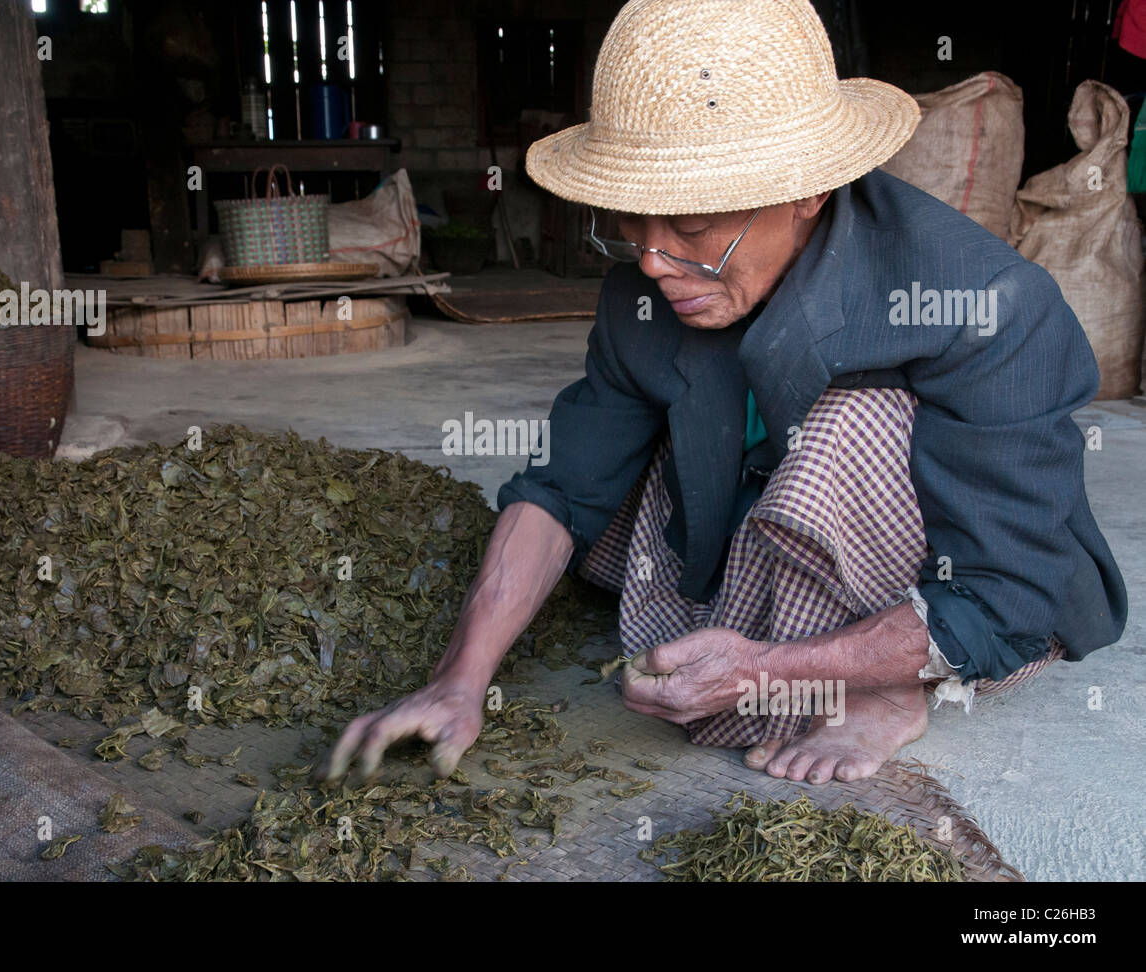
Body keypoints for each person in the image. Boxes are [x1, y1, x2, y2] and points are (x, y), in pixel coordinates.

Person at [321, 0, 1126, 786]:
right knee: (629, 471)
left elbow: (1006, 594)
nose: (653, 261)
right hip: (758, 523)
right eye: (634, 223)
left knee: (852, 421)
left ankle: (885, 685)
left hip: (948, 580)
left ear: (808, 190)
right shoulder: (648, 291)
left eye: (694, 228)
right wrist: (459, 679)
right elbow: (565, 487)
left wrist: (770, 671)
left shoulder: (982, 302)